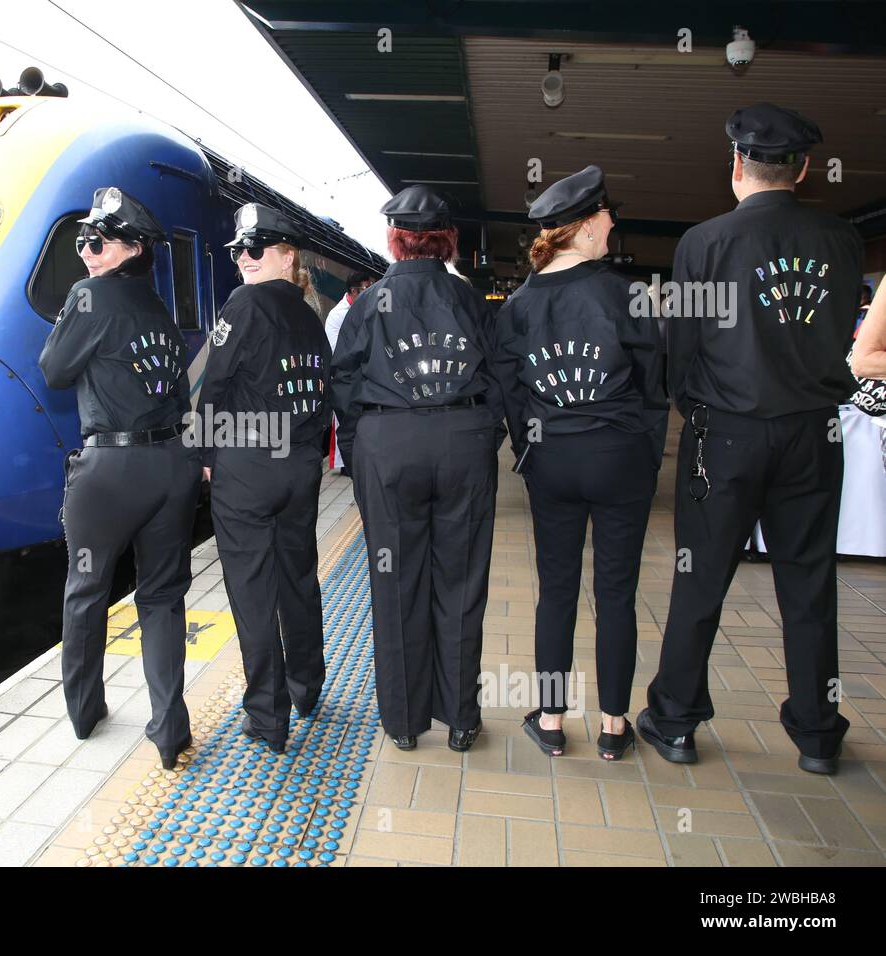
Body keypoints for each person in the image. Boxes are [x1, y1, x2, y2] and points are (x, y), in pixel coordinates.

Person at [640, 104, 865, 775]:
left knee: (699, 581)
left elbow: (678, 352)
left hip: (727, 435)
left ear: (736, 165)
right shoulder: (843, 242)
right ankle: (818, 736)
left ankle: (677, 722)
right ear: (803, 168)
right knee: (809, 582)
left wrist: (700, 411)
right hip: (815, 434)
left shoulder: (703, 244)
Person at [492, 166, 667, 761]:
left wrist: (530, 450)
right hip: (619, 457)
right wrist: (643, 456)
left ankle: (550, 719)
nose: (614, 222)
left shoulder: (517, 305)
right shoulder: (629, 293)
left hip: (554, 461)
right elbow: (654, 388)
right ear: (588, 227)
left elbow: (511, 393)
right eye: (607, 215)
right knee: (617, 592)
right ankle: (615, 726)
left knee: (557, 590)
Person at [330, 184, 504, 753]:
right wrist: (483, 433)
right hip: (463, 444)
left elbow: (345, 384)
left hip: (389, 444)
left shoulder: (369, 303)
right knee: (460, 581)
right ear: (448, 242)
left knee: (394, 581)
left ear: (394, 241)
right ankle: (460, 718)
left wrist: (361, 453)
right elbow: (503, 376)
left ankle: (404, 722)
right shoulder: (472, 301)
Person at [38, 186, 201, 771]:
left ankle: (85, 713)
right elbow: (180, 393)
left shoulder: (88, 296)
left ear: (131, 247)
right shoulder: (158, 309)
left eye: (98, 240)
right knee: (162, 599)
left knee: (86, 591)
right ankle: (169, 729)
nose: (86, 248)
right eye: (83, 239)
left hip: (108, 473)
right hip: (169, 468)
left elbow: (54, 370)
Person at [198, 202, 331, 754]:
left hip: (248, 466)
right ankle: (308, 686)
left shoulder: (244, 303)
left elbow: (215, 382)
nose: (244, 259)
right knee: (297, 576)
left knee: (253, 591)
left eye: (256, 249)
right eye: (238, 251)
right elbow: (325, 392)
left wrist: (205, 451)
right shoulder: (310, 313)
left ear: (286, 255)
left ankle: (267, 716)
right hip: (298, 466)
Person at [324, 271, 374, 472]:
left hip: (361, 373)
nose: (370, 292)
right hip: (345, 374)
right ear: (354, 291)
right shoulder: (338, 314)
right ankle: (344, 464)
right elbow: (338, 351)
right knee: (344, 421)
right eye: (366, 289)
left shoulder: (367, 307)